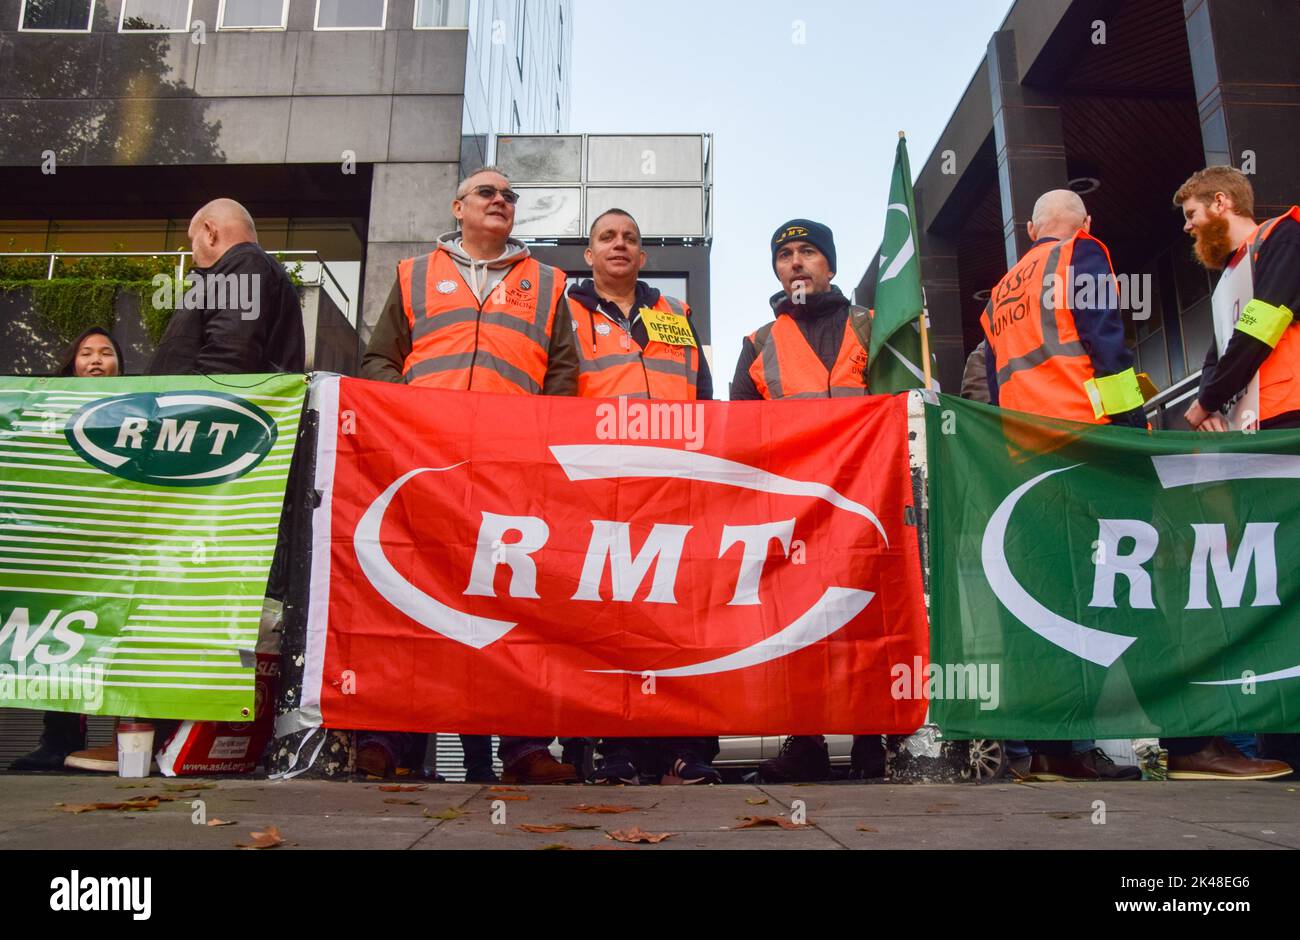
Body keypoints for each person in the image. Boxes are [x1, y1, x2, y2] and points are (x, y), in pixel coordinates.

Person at [361, 165, 579, 784]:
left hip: (511, 467)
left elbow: (562, 375)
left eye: (510, 196)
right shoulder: (414, 275)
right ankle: (391, 740)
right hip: (425, 461)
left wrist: (543, 440)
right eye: (488, 192)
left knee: (514, 599)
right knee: (409, 594)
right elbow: (378, 357)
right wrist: (408, 405)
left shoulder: (547, 281)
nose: (502, 201)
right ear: (458, 207)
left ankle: (526, 748)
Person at [980, 190, 1144, 782]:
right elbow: (1106, 342)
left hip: (1027, 459)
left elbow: (1000, 386)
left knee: (1047, 604)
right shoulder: (1083, 253)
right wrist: (1133, 430)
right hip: (1086, 448)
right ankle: (1074, 744)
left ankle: (1053, 748)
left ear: (1029, 230)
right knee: (1093, 601)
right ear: (1086, 223)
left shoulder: (1000, 294)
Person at [564, 207, 720, 785]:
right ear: (590, 254)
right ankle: (620, 750)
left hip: (676, 485)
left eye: (630, 237)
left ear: (644, 255)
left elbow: (701, 392)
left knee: (685, 618)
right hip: (606, 486)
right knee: (617, 620)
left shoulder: (675, 314)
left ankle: (690, 750)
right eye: (607, 237)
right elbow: (557, 390)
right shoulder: (568, 312)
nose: (620, 245)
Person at [1164, 165, 1298, 780]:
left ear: (1223, 202)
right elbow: (1223, 353)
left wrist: (1203, 402)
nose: (1190, 227)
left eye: (1193, 214)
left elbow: (1265, 324)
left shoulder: (1285, 236)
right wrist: (1213, 403)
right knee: (1272, 582)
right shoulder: (1226, 284)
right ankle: (1281, 744)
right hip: (1257, 439)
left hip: (1290, 422)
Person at [729, 219, 875, 782]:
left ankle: (872, 739)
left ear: (830, 265)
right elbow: (740, 435)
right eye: (785, 254)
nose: (796, 262)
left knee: (867, 621)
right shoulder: (758, 345)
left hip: (867, 502)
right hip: (793, 512)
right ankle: (807, 739)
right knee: (798, 626)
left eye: (808, 252)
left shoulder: (875, 327)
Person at [7, 328, 125, 772]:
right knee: (59, 640)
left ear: (120, 364)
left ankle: (126, 744)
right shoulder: (46, 410)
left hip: (118, 545)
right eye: (86, 353)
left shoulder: (142, 412)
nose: (96, 360)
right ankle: (58, 741)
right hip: (61, 547)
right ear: (72, 362)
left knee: (119, 646)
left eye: (106, 353)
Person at [148, 198, 305, 375]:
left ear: (210, 232)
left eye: (193, 241)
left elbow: (226, 362)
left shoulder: (246, 262)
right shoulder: (247, 267)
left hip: (199, 401)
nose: (192, 256)